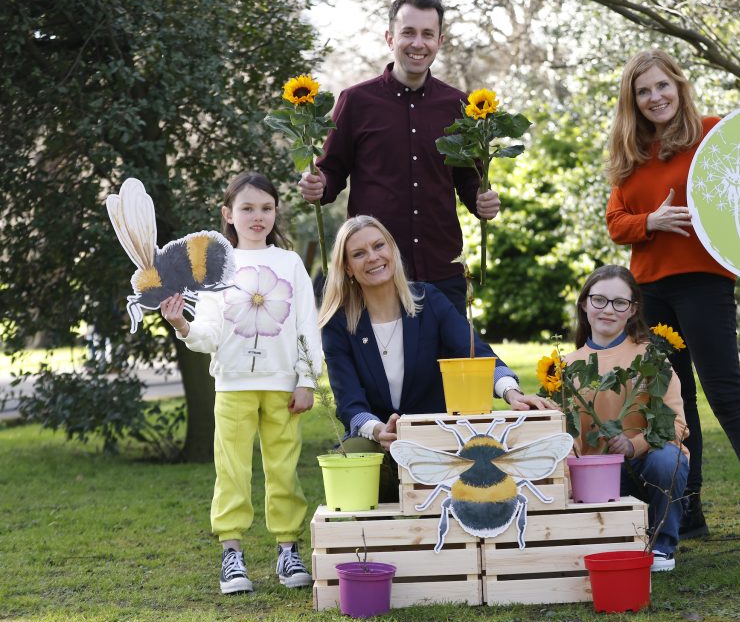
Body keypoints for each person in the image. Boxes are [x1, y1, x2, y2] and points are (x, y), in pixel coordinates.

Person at [604, 48, 740, 548]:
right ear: (633, 100)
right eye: (643, 91)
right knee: (677, 402)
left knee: (726, 395)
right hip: (651, 290)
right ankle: (689, 510)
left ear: (679, 86)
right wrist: (651, 222)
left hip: (705, 283)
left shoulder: (712, 134)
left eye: (662, 86)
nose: (654, 97)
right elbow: (616, 224)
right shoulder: (628, 152)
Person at [160, 172, 322, 594]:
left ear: (276, 212)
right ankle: (232, 553)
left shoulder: (289, 264)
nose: (258, 216)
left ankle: (288, 549)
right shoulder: (218, 266)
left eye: (266, 208)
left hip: (284, 387)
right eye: (247, 208)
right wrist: (181, 324)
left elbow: (307, 324)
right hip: (232, 386)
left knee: (283, 469)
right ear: (227, 214)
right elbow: (209, 333)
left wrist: (307, 379)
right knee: (231, 470)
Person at [318, 215, 548, 500]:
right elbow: (349, 402)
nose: (373, 257)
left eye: (379, 246)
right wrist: (379, 431)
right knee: (351, 457)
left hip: (438, 441)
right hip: (379, 444)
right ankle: (374, 539)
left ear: (392, 250)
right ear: (348, 268)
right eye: (359, 253)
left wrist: (511, 392)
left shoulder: (430, 299)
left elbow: (474, 352)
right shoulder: (337, 324)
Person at [301, 0, 501, 314]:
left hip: (442, 272)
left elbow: (469, 178)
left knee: (448, 365)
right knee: (380, 366)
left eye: (427, 34)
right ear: (390, 38)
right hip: (374, 272)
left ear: (440, 40)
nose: (418, 43)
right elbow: (331, 172)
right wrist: (317, 184)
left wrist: (483, 200)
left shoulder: (460, 105)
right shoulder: (355, 102)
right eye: (408, 32)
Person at [562, 265, 690, 572]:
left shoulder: (651, 358)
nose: (608, 310)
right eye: (599, 300)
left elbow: (676, 425)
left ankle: (661, 545)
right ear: (584, 303)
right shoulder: (565, 367)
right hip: (594, 481)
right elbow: (564, 436)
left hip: (642, 469)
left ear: (632, 310)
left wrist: (633, 445)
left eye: (620, 303)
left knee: (667, 458)